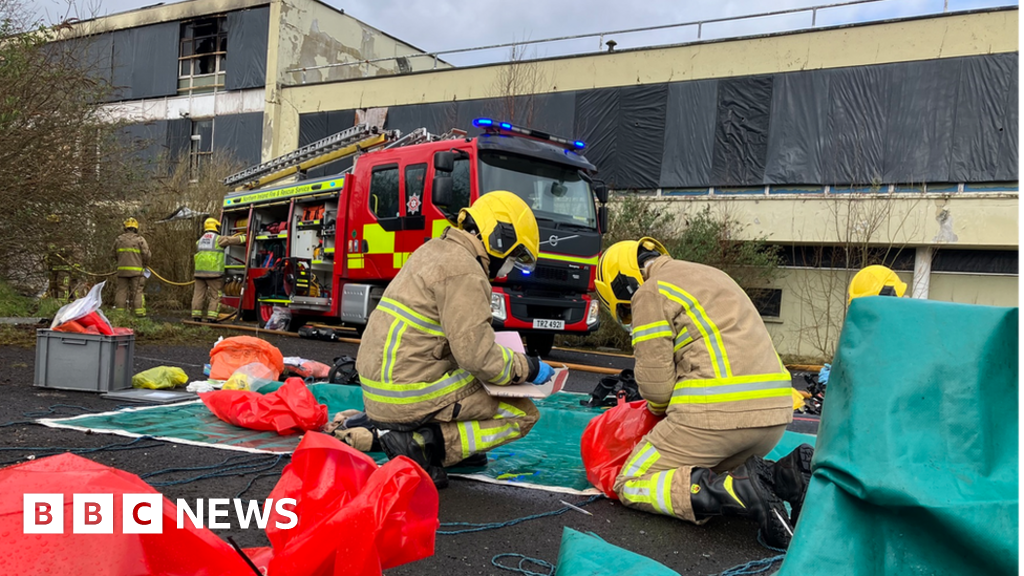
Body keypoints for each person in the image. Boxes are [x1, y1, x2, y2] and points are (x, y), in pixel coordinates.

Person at [595, 237, 813, 548]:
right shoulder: (712, 275)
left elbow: (657, 391)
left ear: (622, 284)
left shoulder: (650, 291)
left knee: (631, 483)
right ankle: (787, 474)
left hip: (716, 415)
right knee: (702, 474)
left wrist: (656, 416)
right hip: (774, 417)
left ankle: (741, 489)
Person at [350, 191, 554, 489]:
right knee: (521, 411)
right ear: (500, 240)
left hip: (381, 389)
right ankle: (425, 445)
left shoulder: (433, 250)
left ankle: (453, 450)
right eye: (514, 256)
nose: (510, 266)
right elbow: (479, 358)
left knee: (477, 380)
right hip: (405, 393)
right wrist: (530, 368)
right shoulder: (466, 271)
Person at [193, 218, 246, 323]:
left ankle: (196, 316)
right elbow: (232, 240)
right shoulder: (218, 239)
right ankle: (211, 318)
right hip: (214, 274)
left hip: (199, 273)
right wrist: (245, 238)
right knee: (215, 296)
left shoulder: (199, 241)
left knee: (198, 295)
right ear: (215, 226)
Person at [113, 217, 151, 317]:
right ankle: (139, 314)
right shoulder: (140, 240)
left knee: (121, 291)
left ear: (125, 228)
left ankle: (119, 314)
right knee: (137, 292)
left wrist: (120, 262)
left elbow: (113, 254)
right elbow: (147, 255)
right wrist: (144, 263)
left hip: (122, 271)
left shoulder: (119, 240)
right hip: (137, 272)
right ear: (136, 228)